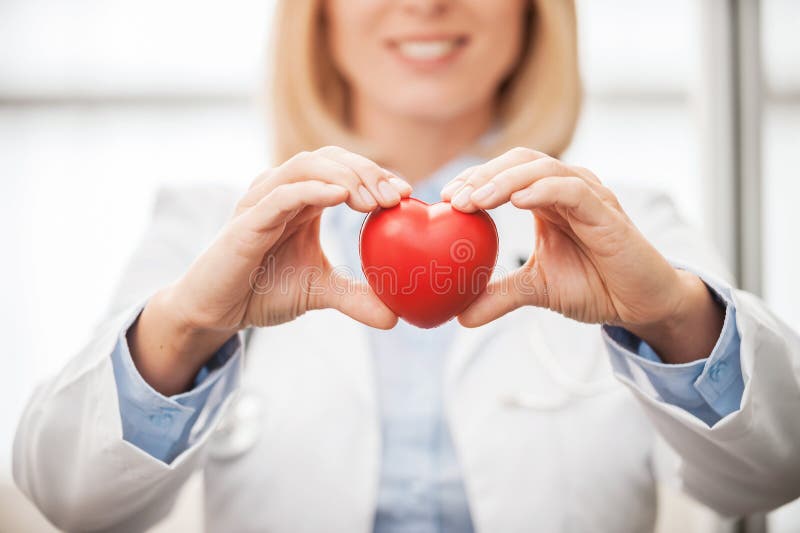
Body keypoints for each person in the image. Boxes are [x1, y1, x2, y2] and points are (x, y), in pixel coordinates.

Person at [13, 1, 800, 531]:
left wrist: (671, 316)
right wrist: (188, 326)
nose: (426, 4)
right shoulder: (206, 225)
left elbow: (775, 468)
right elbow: (71, 494)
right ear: (319, 12)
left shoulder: (627, 224)